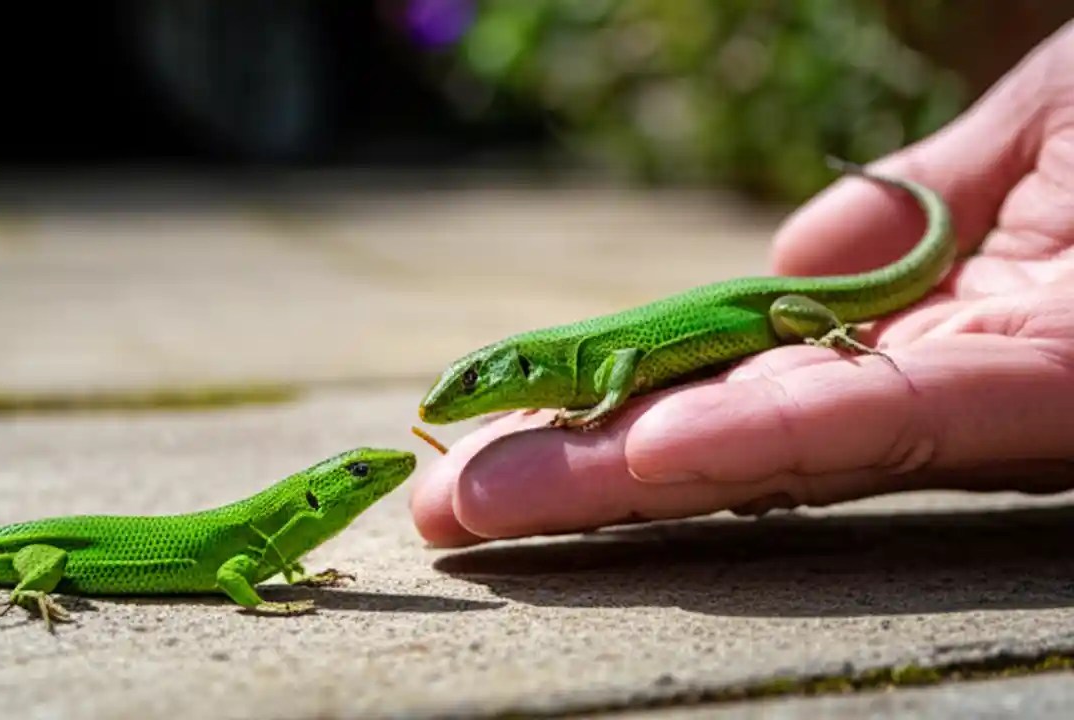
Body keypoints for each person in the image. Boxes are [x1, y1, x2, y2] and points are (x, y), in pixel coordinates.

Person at [410, 21, 1074, 548]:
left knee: (795, 314)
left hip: (769, 310)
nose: (456, 397)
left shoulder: (588, 363)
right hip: (739, 315)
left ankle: (835, 326)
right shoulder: (559, 364)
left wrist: (605, 409)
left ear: (517, 364)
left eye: (473, 382)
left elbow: (630, 360)